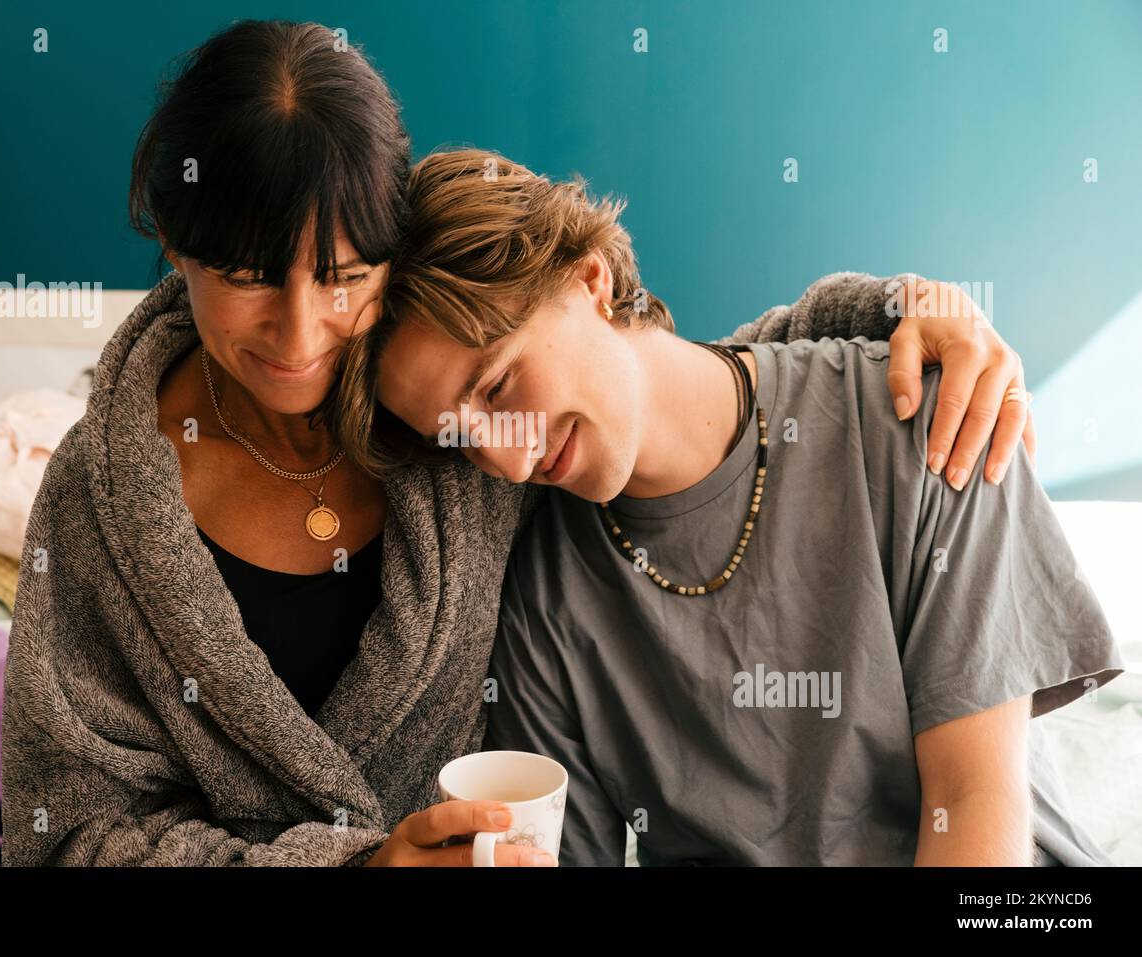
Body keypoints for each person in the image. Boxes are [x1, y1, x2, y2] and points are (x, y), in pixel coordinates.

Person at [0, 21, 1038, 867]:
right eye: (248, 278)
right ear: (177, 251)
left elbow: (688, 394)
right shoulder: (101, 499)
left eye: (346, 274)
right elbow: (64, 838)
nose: (303, 331)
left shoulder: (442, 434)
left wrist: (902, 312)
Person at [347, 148, 1124, 865]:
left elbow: (975, 804)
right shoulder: (542, 597)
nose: (510, 459)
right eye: (461, 437)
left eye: (498, 386)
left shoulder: (924, 416)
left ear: (589, 281)